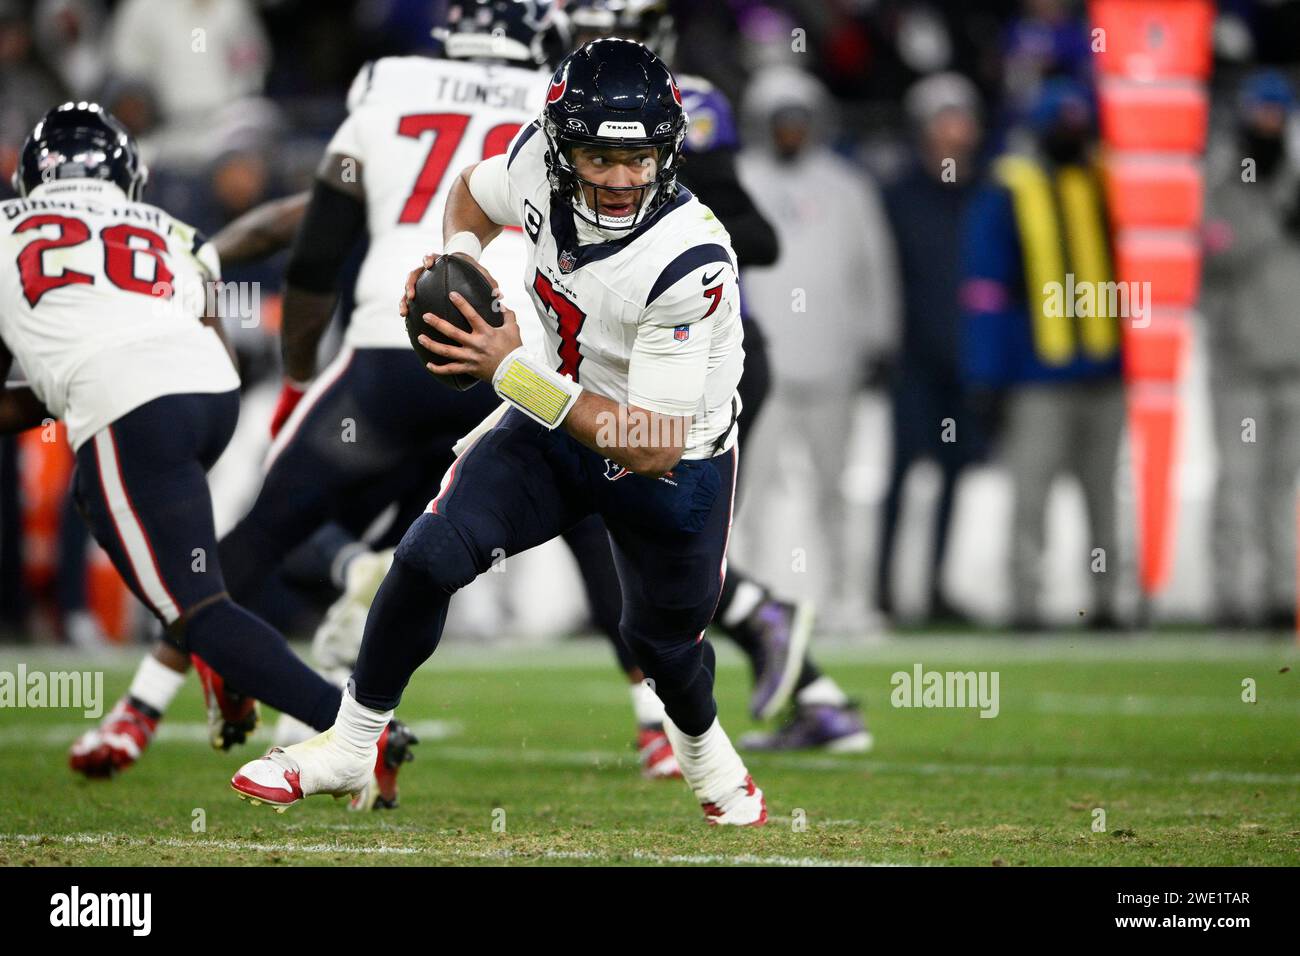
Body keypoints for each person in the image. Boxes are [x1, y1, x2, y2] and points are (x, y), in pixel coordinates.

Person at [231, 38, 768, 825]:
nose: (622, 180)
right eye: (596, 156)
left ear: (670, 149)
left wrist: (511, 368)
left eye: (642, 157)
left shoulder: (690, 260)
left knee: (662, 646)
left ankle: (709, 759)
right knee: (426, 557)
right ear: (559, 147)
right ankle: (349, 743)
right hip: (553, 413)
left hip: (673, 462)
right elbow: (470, 196)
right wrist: (459, 261)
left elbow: (649, 441)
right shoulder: (530, 165)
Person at [0, 103, 413, 807]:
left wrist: (60, 380)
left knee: (196, 609)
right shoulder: (168, 227)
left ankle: (356, 730)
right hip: (208, 398)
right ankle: (225, 668)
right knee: (161, 555)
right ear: (128, 174)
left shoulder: (8, 229)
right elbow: (210, 339)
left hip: (129, 405)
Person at [737, 64, 900, 630]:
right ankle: (752, 604)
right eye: (780, 120)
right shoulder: (738, 180)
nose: (790, 130)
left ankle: (846, 600)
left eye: (799, 120)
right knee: (748, 494)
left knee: (838, 490)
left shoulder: (847, 185)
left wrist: (879, 338)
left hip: (834, 363)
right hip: (759, 367)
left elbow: (873, 267)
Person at [960, 78, 1124, 630]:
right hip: (1038, 375)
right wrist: (988, 372)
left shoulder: (1107, 180)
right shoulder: (1011, 186)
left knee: (1104, 497)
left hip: (1105, 371)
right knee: (1032, 497)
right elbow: (985, 289)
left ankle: (1108, 602)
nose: (1073, 138)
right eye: (1064, 128)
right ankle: (1026, 602)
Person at [876, 72, 984, 626]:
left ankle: (937, 588)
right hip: (912, 357)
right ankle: (883, 591)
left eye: (960, 117)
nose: (953, 130)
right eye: (943, 118)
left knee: (953, 473)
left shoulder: (986, 192)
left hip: (965, 360)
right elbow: (880, 276)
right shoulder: (897, 194)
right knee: (899, 474)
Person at [1201, 70, 1300, 630]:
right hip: (1239, 361)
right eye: (1260, 112)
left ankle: (1282, 594)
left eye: (1277, 113)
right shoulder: (1222, 182)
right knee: (1237, 482)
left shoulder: (1295, 178)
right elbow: (1215, 253)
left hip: (1293, 360)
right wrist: (1275, 219)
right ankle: (1230, 597)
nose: (1268, 123)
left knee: (1282, 490)